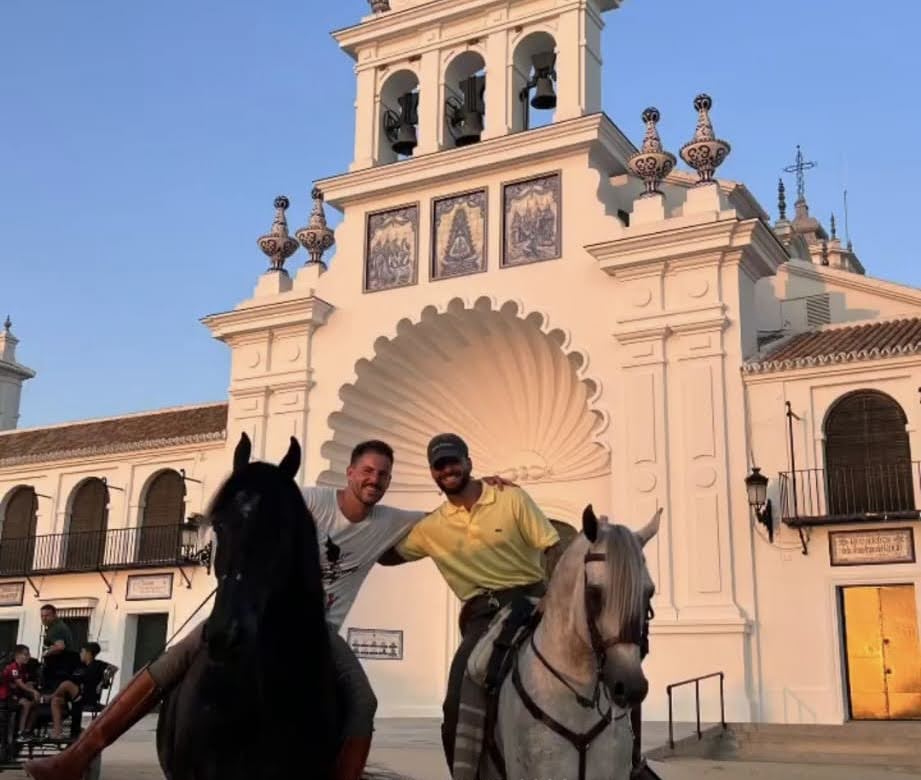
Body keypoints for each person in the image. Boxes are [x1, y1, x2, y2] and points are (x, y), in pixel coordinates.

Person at [24, 439, 511, 780]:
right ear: (351, 472)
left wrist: (475, 490)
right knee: (167, 666)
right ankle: (78, 755)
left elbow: (445, 522)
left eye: (383, 475)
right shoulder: (308, 500)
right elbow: (254, 503)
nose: (375, 480)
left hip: (319, 632)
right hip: (253, 616)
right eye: (367, 471)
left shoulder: (390, 523)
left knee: (363, 701)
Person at [379, 433, 560, 772]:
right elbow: (387, 556)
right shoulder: (431, 526)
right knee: (454, 709)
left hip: (532, 602)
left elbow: (552, 546)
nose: (447, 469)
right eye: (439, 465)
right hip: (481, 617)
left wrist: (554, 596)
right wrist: (364, 515)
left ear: (468, 462)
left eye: (453, 461)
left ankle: (627, 759)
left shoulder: (510, 497)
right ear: (433, 473)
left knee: (603, 663)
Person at [42, 642, 109, 740]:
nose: (80, 654)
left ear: (88, 653)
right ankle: (57, 732)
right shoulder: (81, 666)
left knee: (66, 684)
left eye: (82, 652)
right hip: (76, 695)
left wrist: (104, 680)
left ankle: (50, 696)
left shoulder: (98, 665)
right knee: (56, 701)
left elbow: (111, 670)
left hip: (87, 696)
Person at [0, 645, 40, 737]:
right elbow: (19, 684)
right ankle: (21, 732)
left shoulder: (22, 668)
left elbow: (24, 684)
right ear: (17, 655)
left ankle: (27, 730)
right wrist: (34, 691)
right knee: (26, 704)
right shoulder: (13, 667)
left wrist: (31, 686)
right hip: (7, 695)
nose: (28, 657)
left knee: (35, 705)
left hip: (16, 694)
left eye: (28, 654)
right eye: (25, 654)